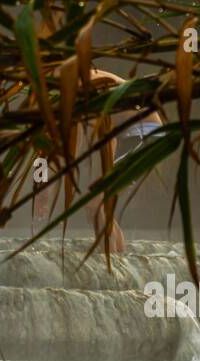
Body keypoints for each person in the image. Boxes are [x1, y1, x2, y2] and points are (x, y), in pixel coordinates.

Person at [31, 69, 165, 252]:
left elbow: (77, 145)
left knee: (95, 206)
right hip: (130, 135)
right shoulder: (68, 88)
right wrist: (40, 186)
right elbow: (48, 147)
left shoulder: (82, 85)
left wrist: (46, 185)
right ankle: (118, 263)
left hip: (146, 135)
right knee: (98, 206)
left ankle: (113, 269)